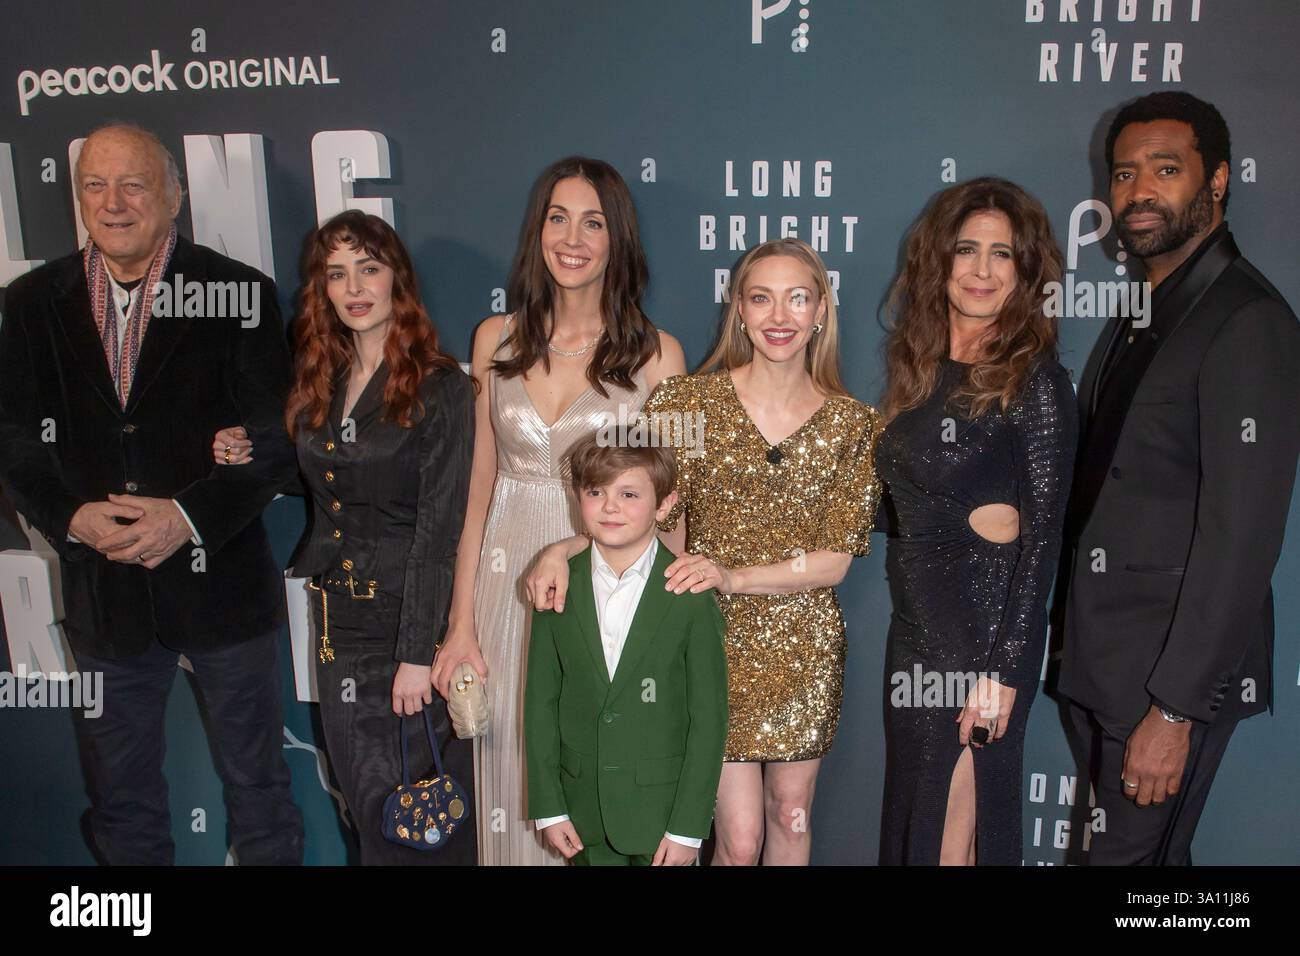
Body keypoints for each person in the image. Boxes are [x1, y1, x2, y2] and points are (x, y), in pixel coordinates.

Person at [0, 123, 303, 865]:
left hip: (223, 590)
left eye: (132, 184)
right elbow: (12, 442)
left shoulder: (238, 293)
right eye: (94, 186)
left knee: (259, 792)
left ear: (175, 194)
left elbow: (274, 441)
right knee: (122, 804)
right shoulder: (33, 302)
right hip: (105, 600)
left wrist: (187, 518)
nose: (113, 203)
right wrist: (72, 517)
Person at [528, 238, 881, 865]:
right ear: (738, 310)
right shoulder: (688, 406)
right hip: (704, 637)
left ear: (820, 310)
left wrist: (733, 575)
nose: (779, 316)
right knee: (737, 841)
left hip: (802, 646)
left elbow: (835, 560)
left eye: (797, 298)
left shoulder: (853, 424)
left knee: (791, 818)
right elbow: (637, 511)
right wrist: (564, 548)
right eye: (761, 298)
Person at [1055, 92, 1300, 865]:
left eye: (1166, 169)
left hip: (1164, 682)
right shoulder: (1145, 312)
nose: (1139, 191)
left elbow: (1243, 536)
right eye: (1124, 174)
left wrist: (1175, 709)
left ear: (1218, 180)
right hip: (1103, 666)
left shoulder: (1247, 320)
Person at [427, 157, 685, 865]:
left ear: (617, 239)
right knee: (514, 769)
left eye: (593, 222)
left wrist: (664, 631)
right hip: (505, 579)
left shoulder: (658, 357)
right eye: (558, 217)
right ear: (537, 230)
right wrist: (460, 625)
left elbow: (670, 510)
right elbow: (477, 492)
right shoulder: (494, 340)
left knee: (587, 766)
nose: (573, 238)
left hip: (604, 589)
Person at [213, 211, 477, 865]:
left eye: (369, 267)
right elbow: (330, 477)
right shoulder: (316, 383)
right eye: (337, 273)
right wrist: (248, 449)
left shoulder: (440, 386)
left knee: (418, 819)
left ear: (398, 280)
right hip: (335, 629)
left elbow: (439, 529)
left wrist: (417, 651)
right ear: (321, 289)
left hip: (403, 627)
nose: (355, 285)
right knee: (367, 809)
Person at [874, 178, 1077, 865]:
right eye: (968, 250)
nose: (983, 270)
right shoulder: (919, 371)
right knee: (916, 823)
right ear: (941, 259)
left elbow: (1044, 539)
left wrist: (1003, 674)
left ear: (1025, 273)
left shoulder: (1034, 382)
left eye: (1003, 255)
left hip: (980, 645)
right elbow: (893, 509)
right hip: (914, 639)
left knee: (950, 843)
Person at [524, 434, 728, 865]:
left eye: (629, 494)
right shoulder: (556, 584)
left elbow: (708, 720)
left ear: (665, 505)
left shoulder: (690, 595)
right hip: (582, 815)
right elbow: (540, 704)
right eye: (595, 492)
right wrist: (549, 806)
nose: (610, 506)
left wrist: (688, 828)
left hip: (662, 816)